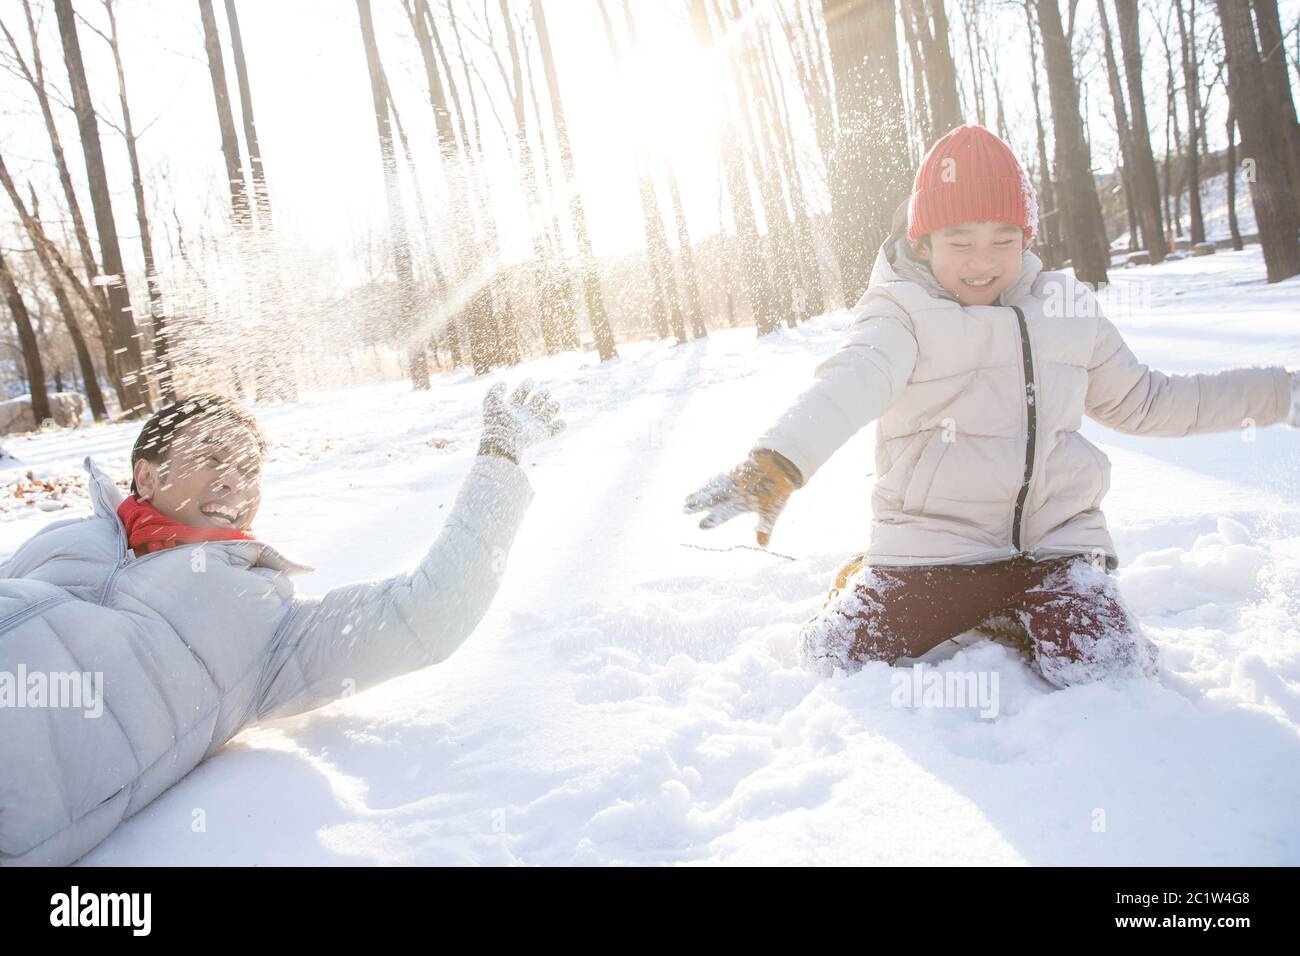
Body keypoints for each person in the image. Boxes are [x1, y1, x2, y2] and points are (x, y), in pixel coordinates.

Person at [684, 124, 1300, 688]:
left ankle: (1018, 607)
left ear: (1026, 238)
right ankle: (876, 579)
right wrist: (779, 462)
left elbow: (1149, 402)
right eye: (961, 240)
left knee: (1114, 672)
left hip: (1056, 553)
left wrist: (1281, 395)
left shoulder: (1066, 307)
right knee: (836, 658)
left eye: (1004, 239)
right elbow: (853, 380)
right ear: (922, 243)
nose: (984, 261)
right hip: (935, 552)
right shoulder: (899, 312)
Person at [0, 380, 562, 866]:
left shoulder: (267, 619)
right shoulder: (63, 537)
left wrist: (499, 461)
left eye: (248, 470)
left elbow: (425, 613)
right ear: (146, 477)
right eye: (213, 458)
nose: (235, 481)